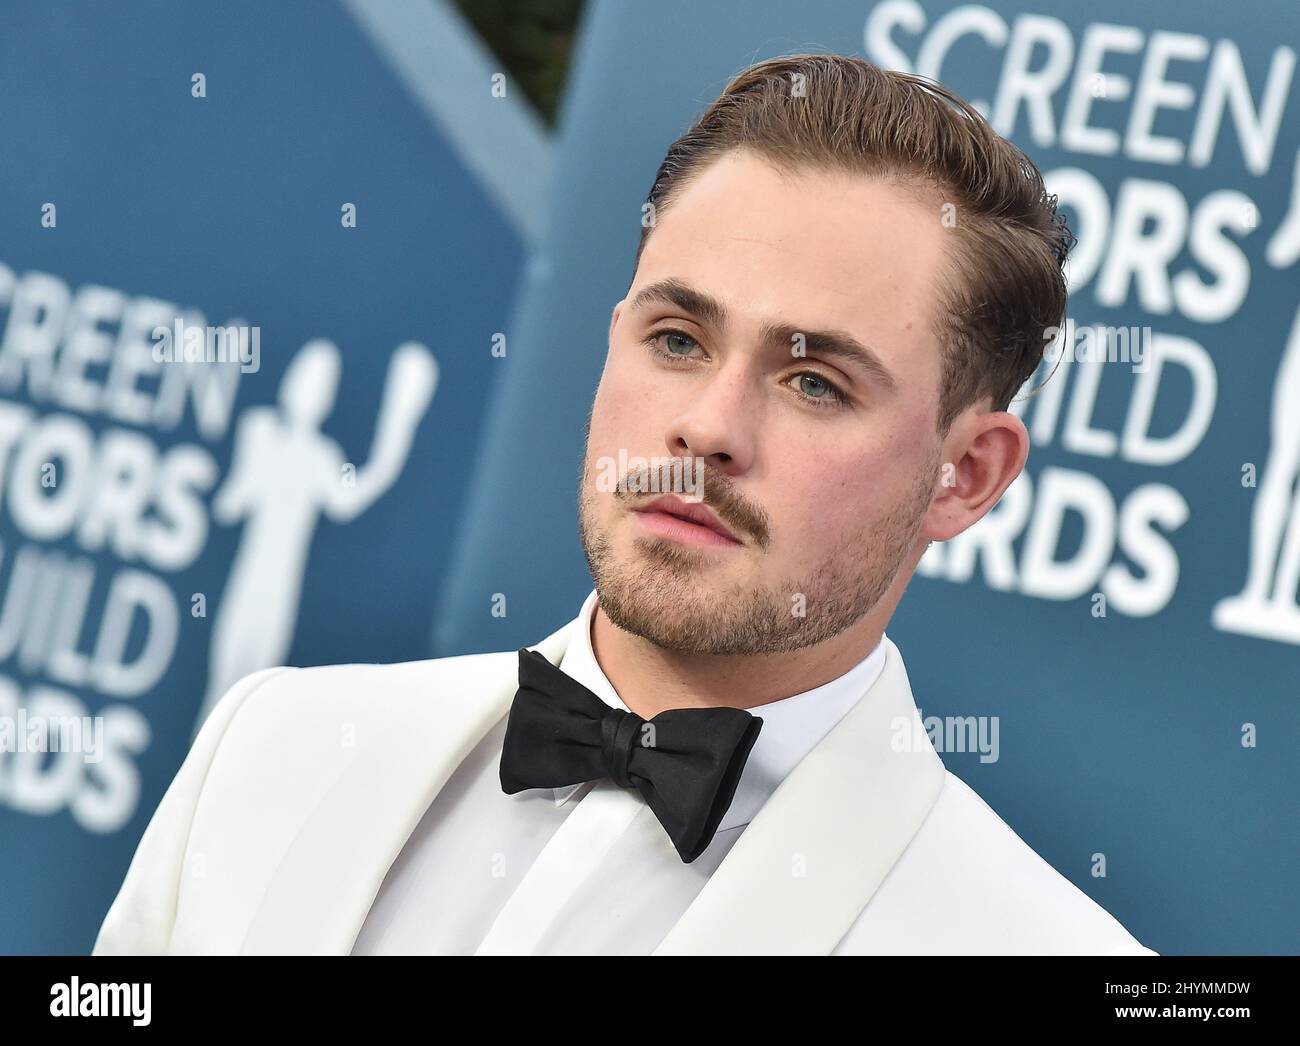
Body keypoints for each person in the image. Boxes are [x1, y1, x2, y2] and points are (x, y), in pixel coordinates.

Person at [93, 53, 1157, 956]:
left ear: (964, 474)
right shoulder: (268, 747)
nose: (707, 428)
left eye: (815, 381)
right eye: (678, 340)